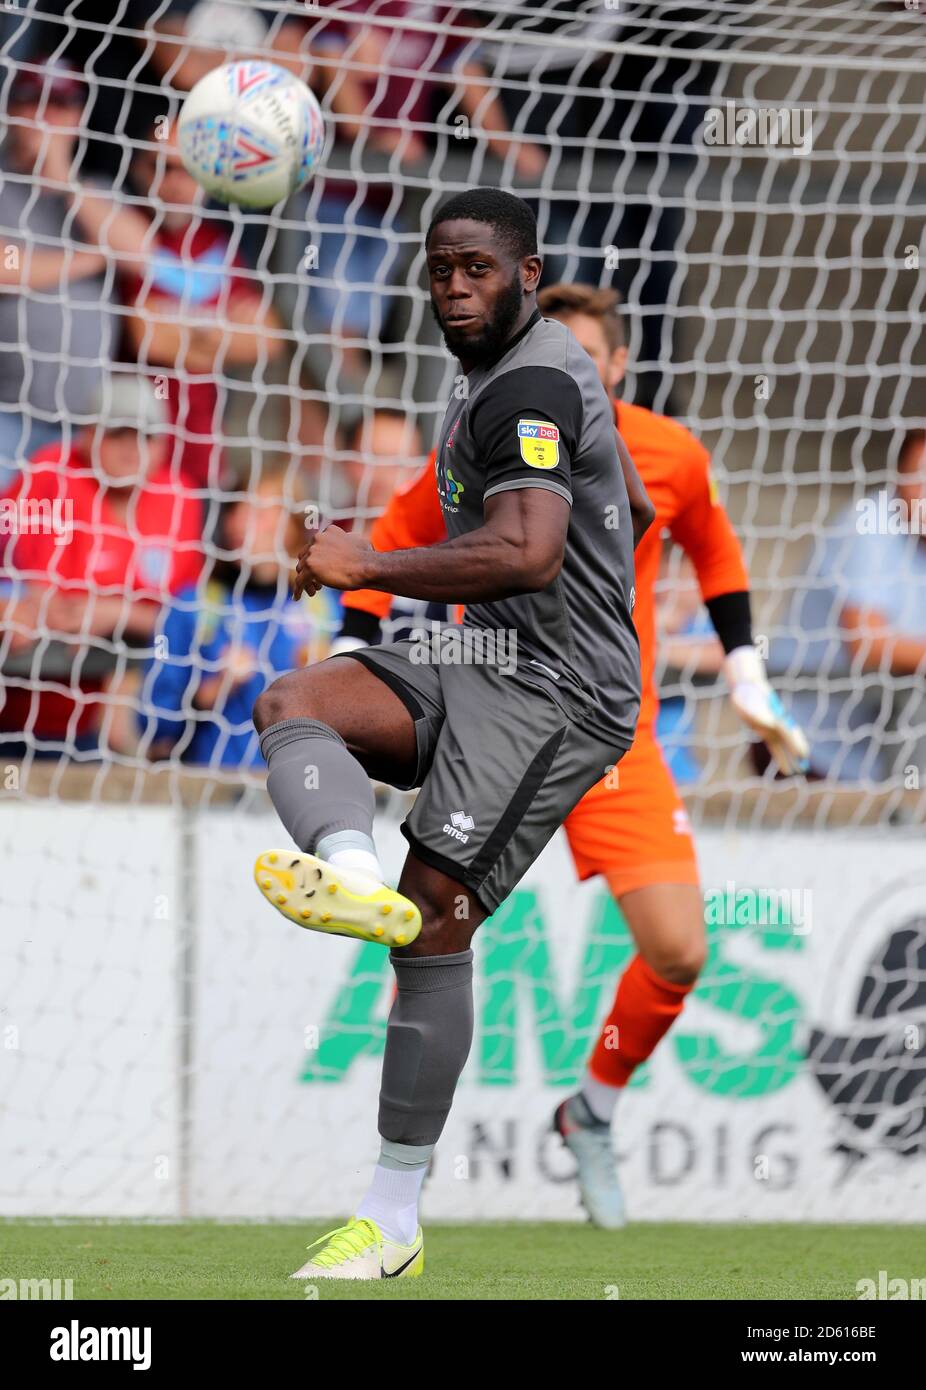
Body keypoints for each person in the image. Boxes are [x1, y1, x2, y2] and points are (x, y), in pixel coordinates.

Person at [334, 280, 810, 1228]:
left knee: (680, 952)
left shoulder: (668, 452)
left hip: (610, 732)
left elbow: (716, 554)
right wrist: (352, 656)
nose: (562, 377)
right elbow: (389, 536)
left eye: (583, 361)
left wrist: (748, 676)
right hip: (497, 715)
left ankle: (589, 1110)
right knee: (434, 929)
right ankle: (400, 1185)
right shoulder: (493, 437)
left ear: (619, 366)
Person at [250, 188, 641, 1278]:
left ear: (526, 270)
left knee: (432, 929)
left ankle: (393, 1218)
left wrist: (365, 567)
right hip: (482, 658)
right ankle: (348, 869)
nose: (454, 288)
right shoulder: (501, 371)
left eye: (475, 268)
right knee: (294, 701)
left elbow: (525, 551)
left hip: (560, 694)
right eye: (438, 271)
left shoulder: (527, 381)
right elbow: (616, 514)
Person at [0, 374, 202, 755]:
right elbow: (36, 599)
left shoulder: (180, 496)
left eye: (145, 437)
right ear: (88, 435)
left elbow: (193, 615)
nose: (132, 449)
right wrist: (10, 601)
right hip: (26, 718)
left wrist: (117, 613)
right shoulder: (51, 474)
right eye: (118, 434)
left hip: (131, 721)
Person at [139, 463, 337, 767]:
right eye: (237, 511)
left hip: (300, 787)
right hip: (209, 787)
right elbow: (151, 723)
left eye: (260, 513)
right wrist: (212, 691)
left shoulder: (323, 609)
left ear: (293, 527)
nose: (243, 524)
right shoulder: (191, 606)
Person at [0, 61, 114, 489]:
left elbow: (141, 251)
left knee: (61, 549)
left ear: (80, 115)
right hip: (7, 413)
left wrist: (65, 180)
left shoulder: (96, 189)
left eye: (62, 103)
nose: (47, 115)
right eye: (34, 101)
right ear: (12, 108)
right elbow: (5, 269)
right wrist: (92, 256)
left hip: (83, 423)